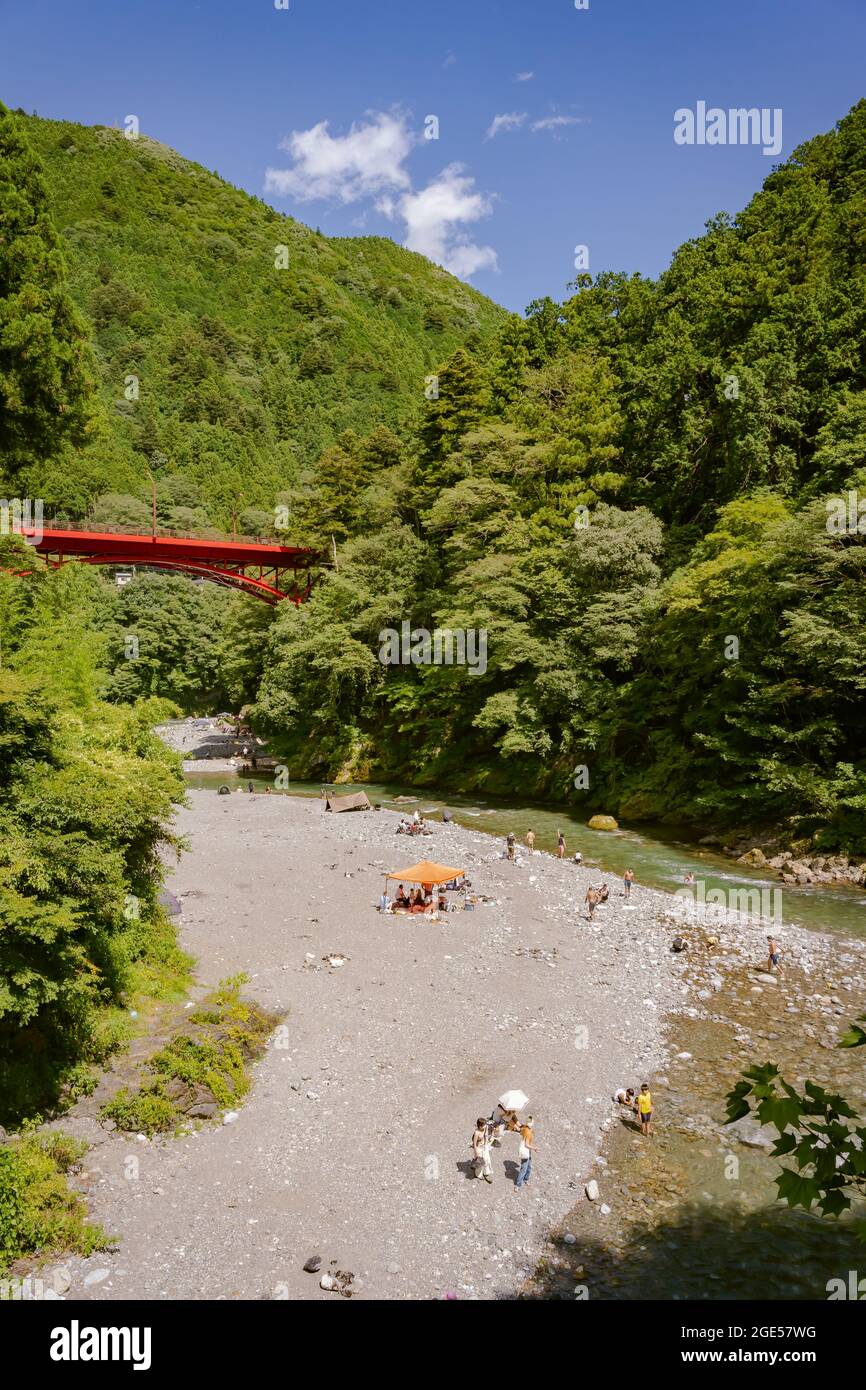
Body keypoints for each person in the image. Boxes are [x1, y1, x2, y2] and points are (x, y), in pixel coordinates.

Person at [515, 1117, 534, 1189]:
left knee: (528, 1167)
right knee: (524, 1168)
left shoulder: (526, 1128)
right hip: (526, 1151)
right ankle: (518, 1185)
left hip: (527, 1151)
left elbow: (520, 1131)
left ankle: (526, 1179)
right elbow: (527, 1144)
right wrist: (535, 1148)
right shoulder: (528, 1132)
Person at [472, 1118, 493, 1183]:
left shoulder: (485, 1128)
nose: (485, 1125)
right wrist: (476, 1153)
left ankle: (487, 1173)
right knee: (480, 1163)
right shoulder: (476, 1132)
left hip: (485, 1147)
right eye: (484, 1125)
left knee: (487, 1160)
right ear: (480, 1126)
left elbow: (488, 1134)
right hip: (479, 1148)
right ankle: (478, 1174)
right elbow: (474, 1144)